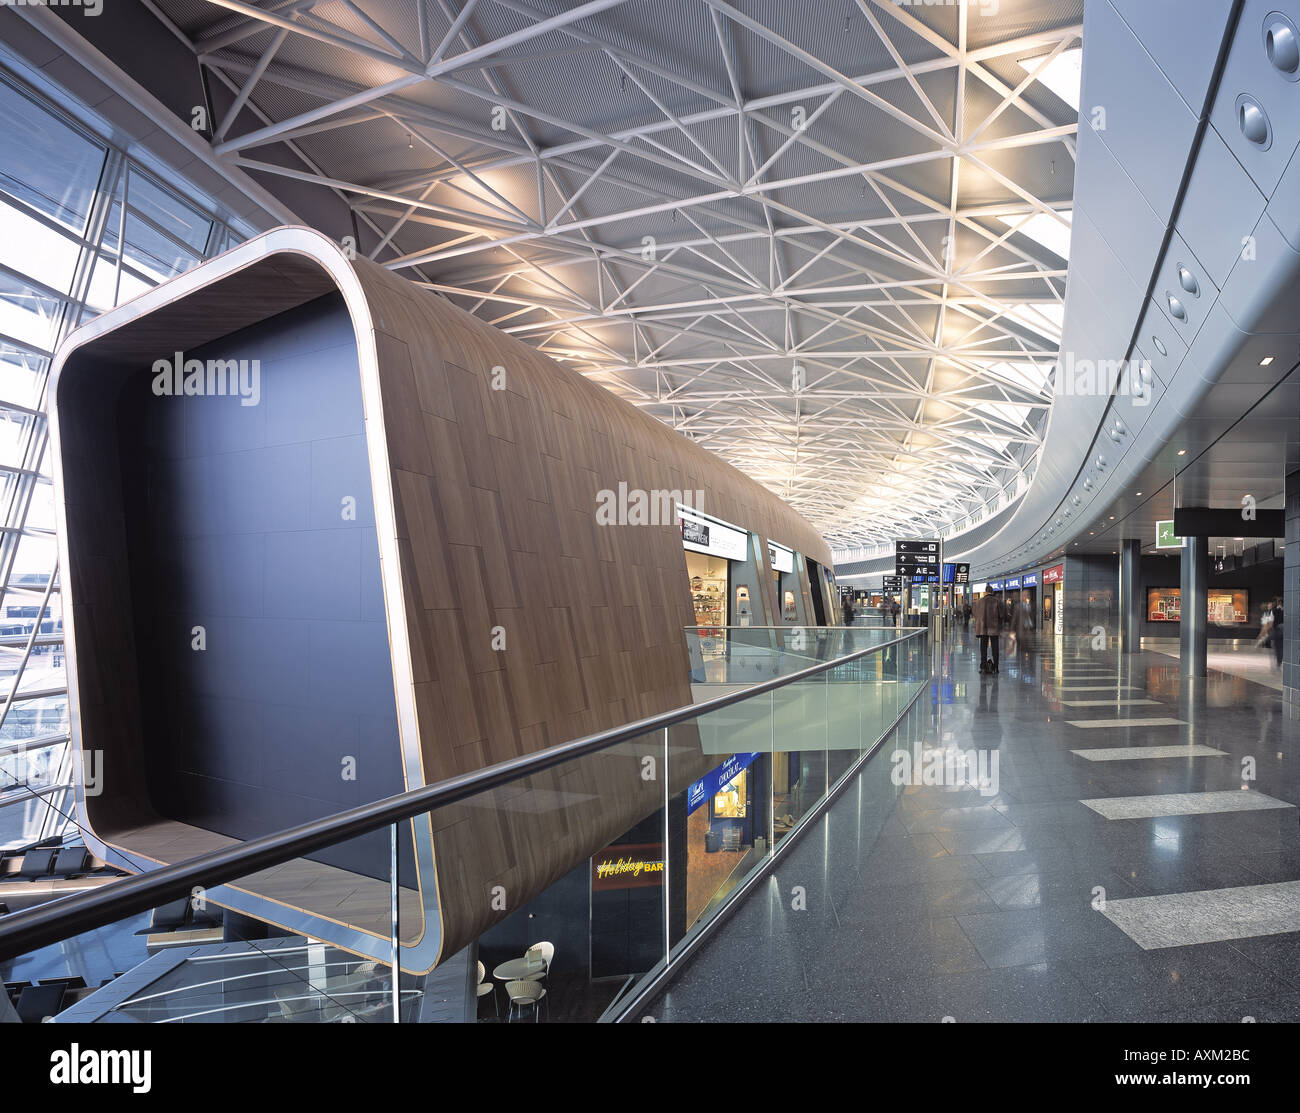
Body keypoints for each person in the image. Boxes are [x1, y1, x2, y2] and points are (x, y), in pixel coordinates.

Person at [974, 592, 1000, 674]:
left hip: (983, 628)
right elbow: (1002, 614)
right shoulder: (997, 601)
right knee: (995, 648)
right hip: (994, 628)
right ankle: (995, 667)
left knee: (983, 648)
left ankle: (983, 667)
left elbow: (976, 614)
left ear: (985, 592)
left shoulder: (980, 601)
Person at [1271, 596, 1285, 668]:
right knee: (1281, 647)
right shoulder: (1288, 610)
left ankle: (1279, 661)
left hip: (1278, 630)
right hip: (1285, 630)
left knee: (1278, 647)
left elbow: (1273, 621)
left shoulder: (1274, 610)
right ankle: (1280, 660)